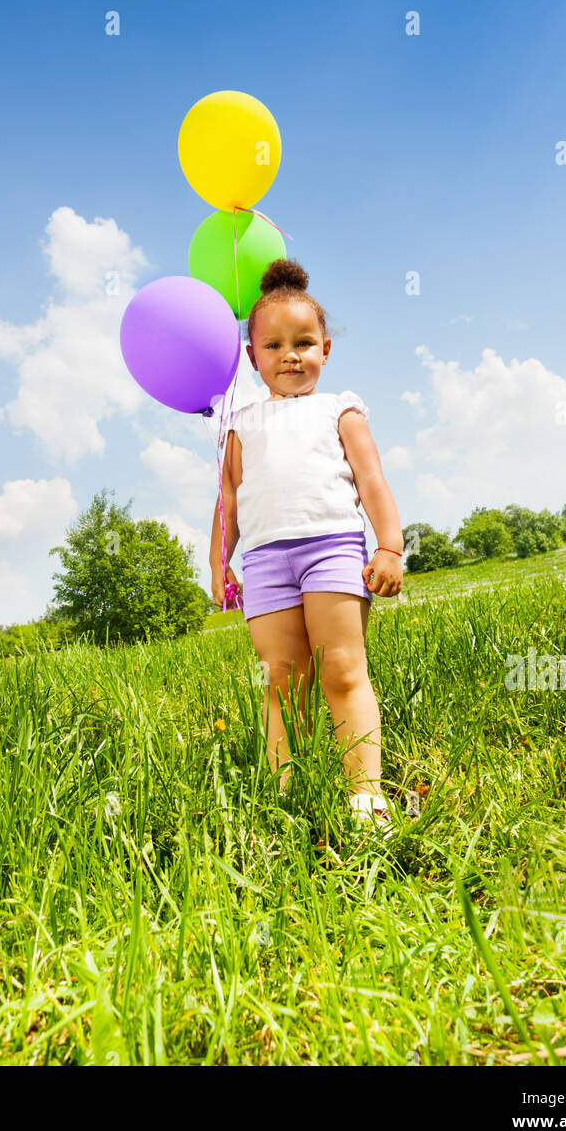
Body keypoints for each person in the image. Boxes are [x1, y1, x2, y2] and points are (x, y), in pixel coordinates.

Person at [209, 258, 417, 836]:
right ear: (253, 358)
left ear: (325, 348)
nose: (290, 355)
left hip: (332, 549)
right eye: (273, 346)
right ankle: (286, 793)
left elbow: (372, 480)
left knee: (343, 670)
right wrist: (217, 562)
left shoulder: (340, 409)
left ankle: (366, 797)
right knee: (282, 677)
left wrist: (390, 547)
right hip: (267, 563)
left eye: (303, 343)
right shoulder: (240, 424)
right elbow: (228, 498)